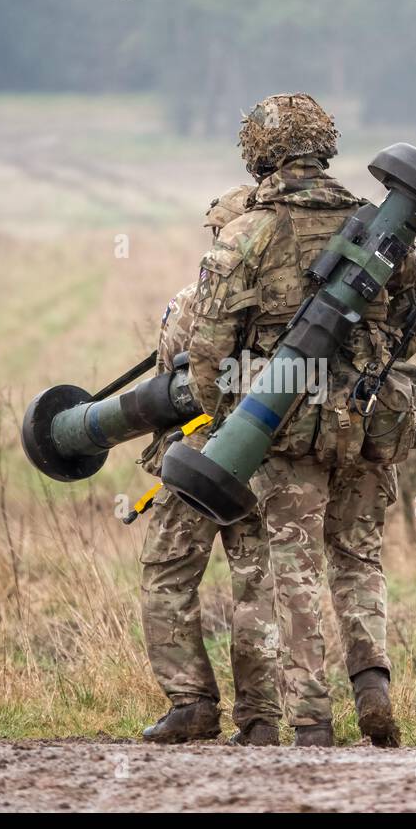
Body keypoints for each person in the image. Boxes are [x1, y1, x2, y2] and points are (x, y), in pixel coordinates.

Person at [185, 93, 416, 746]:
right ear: (323, 145)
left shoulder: (247, 231)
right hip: (364, 421)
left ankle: (310, 719)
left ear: (260, 154)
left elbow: (207, 346)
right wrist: (379, 355)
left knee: (292, 568)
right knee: (359, 559)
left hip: (281, 430)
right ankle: (372, 691)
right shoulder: (374, 222)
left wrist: (228, 414)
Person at [138, 186, 284, 746]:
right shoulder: (292, 307)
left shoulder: (195, 297)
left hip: (196, 457)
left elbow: (171, 378)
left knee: (168, 571)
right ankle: (262, 719)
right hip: (261, 459)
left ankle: (191, 703)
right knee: (258, 582)